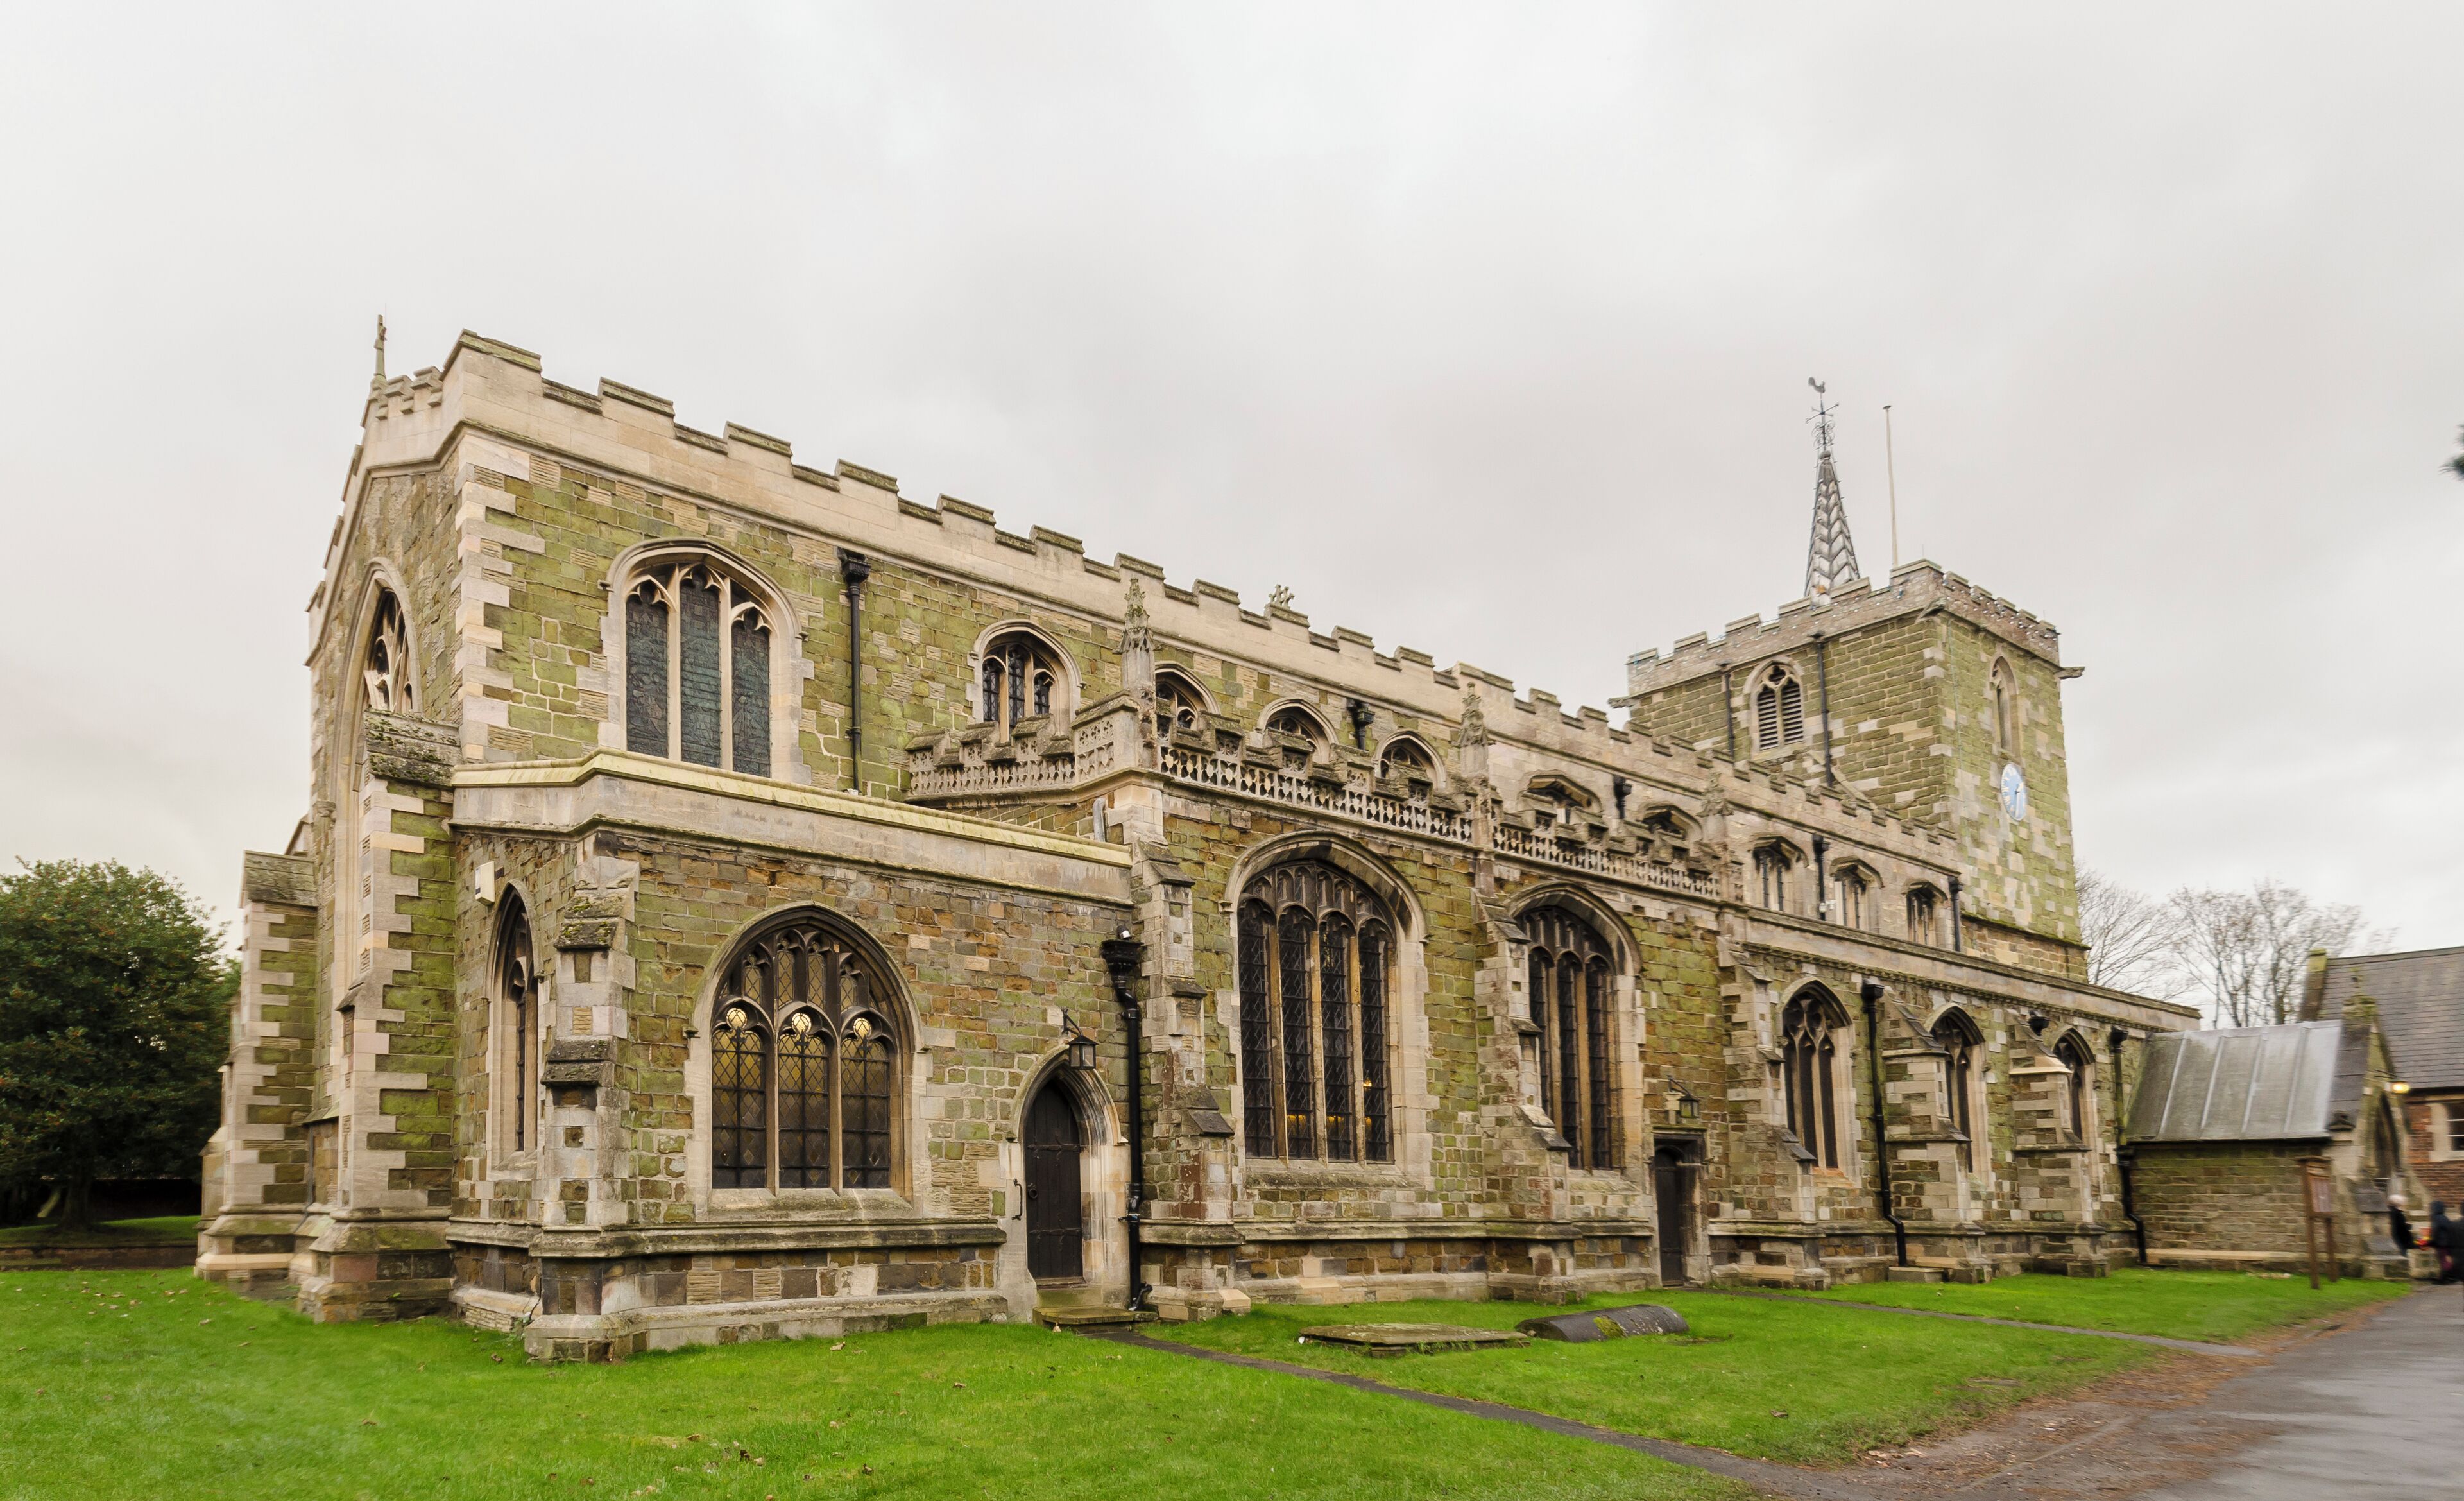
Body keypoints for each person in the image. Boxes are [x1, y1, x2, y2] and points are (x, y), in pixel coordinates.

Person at [2431, 1202, 2458, 1285]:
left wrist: (2432, 1241)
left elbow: (2436, 1231)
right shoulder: (2444, 1218)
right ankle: (2448, 1277)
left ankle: (2444, 1279)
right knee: (2445, 1261)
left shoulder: (2436, 1218)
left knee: (2443, 1261)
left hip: (2441, 1243)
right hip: (2446, 1242)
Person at [2387, 1192, 2414, 1264]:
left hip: (2397, 1238)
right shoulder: (2398, 1214)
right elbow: (2402, 1226)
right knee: (2403, 1256)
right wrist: (2409, 1226)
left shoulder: (2391, 1212)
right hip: (2401, 1239)